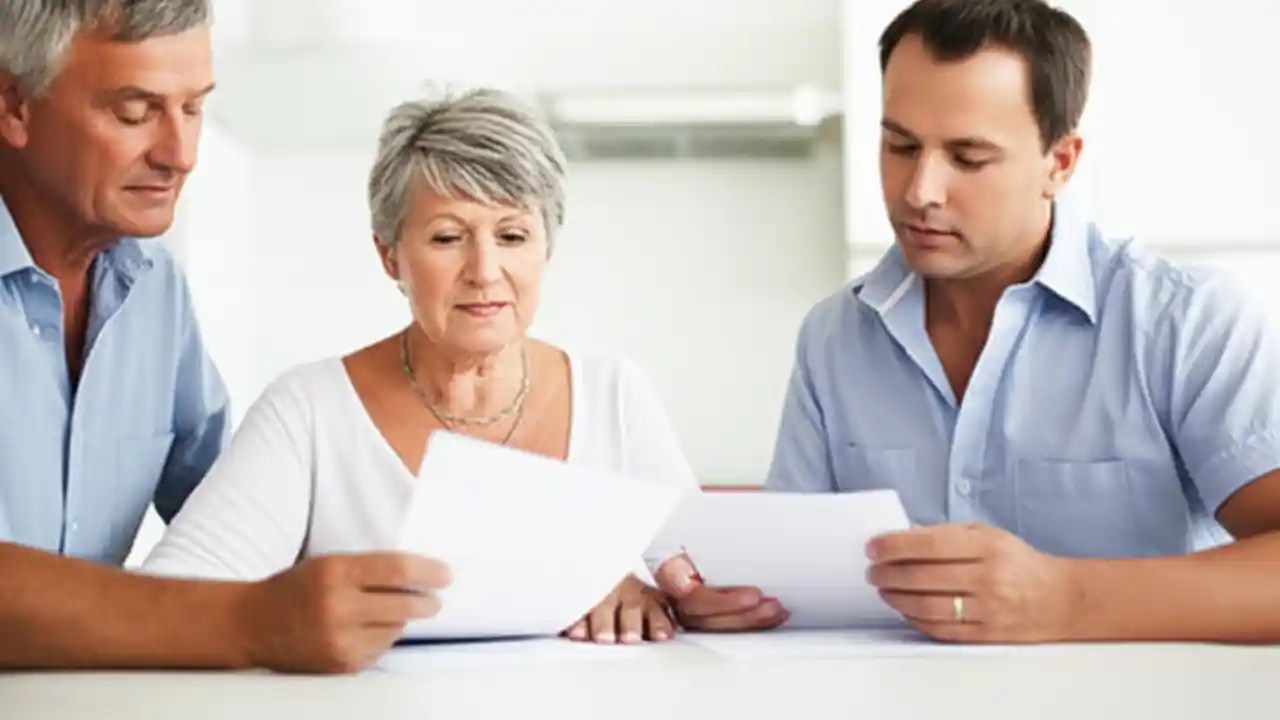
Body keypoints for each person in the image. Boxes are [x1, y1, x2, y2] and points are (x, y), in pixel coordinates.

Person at [658, 0, 1280, 643]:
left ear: (1059, 163)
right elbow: (787, 585)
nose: (919, 190)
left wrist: (1066, 598)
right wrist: (731, 602)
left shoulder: (1187, 322)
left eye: (969, 157)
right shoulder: (834, 337)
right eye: (900, 145)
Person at [140, 88, 698, 646]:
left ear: (545, 247)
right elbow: (174, 600)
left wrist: (653, 593)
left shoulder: (614, 395)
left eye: (512, 236)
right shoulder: (310, 411)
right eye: (448, 238)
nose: (485, 270)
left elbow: (703, 584)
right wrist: (290, 608)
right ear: (390, 255)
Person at [0, 0, 448, 674]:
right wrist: (248, 621)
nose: (179, 155)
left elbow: (247, 519)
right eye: (134, 111)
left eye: (194, 109)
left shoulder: (154, 292)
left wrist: (548, 591)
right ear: (14, 105)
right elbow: (254, 607)